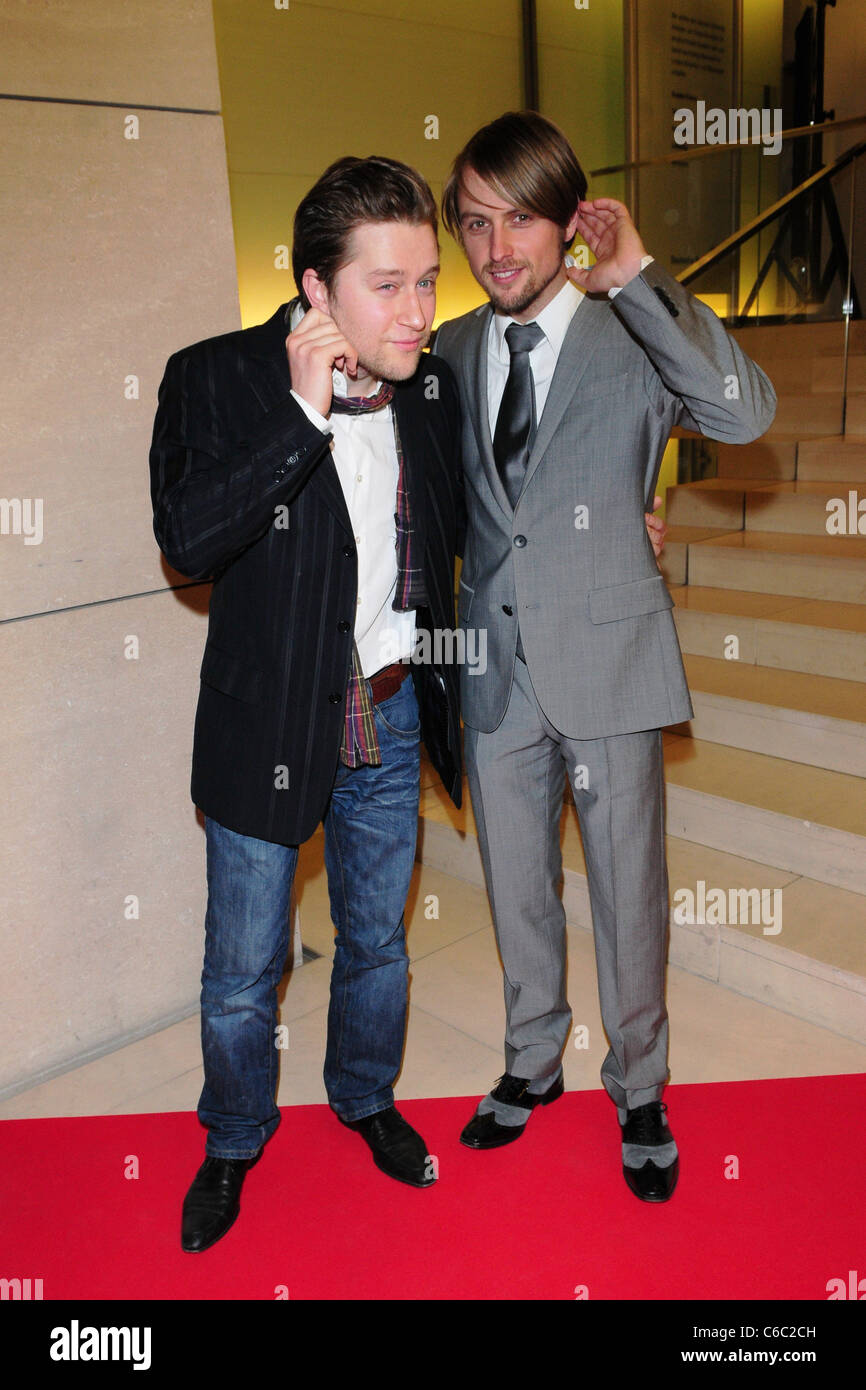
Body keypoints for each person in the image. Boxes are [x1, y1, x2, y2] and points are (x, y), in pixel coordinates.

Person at [434, 110, 776, 1202]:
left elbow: (742, 409)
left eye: (521, 220)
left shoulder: (629, 329)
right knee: (514, 881)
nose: (497, 248)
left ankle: (638, 1085)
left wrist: (637, 276)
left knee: (628, 885)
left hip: (608, 654)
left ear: (566, 219)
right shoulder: (445, 349)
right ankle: (530, 1059)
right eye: (476, 223)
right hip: (492, 658)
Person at [149, 155, 465, 1252]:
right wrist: (302, 414)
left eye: (428, 279)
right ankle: (233, 1138)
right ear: (314, 290)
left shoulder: (430, 382)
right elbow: (188, 545)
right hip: (266, 717)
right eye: (388, 285)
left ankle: (363, 1097)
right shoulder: (212, 377)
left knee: (377, 942)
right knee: (243, 969)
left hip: (387, 710)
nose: (418, 311)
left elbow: (462, 521)